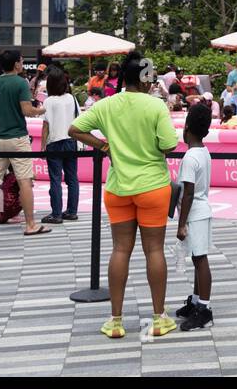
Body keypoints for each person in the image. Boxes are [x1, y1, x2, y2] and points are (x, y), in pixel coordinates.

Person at [71, 51, 180, 338]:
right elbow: (169, 144)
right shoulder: (155, 106)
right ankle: (159, 318)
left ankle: (116, 321)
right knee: (154, 250)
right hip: (153, 186)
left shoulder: (106, 105)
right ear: (146, 78)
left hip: (118, 188)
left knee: (121, 250)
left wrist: (105, 146)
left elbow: (75, 129)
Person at [0, 50, 48, 237]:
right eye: (21, 60)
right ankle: (30, 224)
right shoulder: (20, 83)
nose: (22, 63)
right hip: (18, 138)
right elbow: (26, 110)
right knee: (25, 182)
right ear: (17, 64)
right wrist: (41, 110)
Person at [174, 101, 215, 331]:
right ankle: (197, 300)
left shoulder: (190, 157)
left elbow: (188, 192)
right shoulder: (204, 152)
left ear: (186, 127)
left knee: (200, 260)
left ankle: (204, 309)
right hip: (203, 210)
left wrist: (181, 225)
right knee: (198, 258)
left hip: (195, 214)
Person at [41, 65, 81, 224]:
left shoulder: (48, 101)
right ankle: (72, 211)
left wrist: (42, 146)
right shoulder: (71, 98)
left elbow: (46, 125)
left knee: (55, 179)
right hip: (71, 141)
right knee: (72, 179)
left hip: (54, 143)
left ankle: (56, 213)